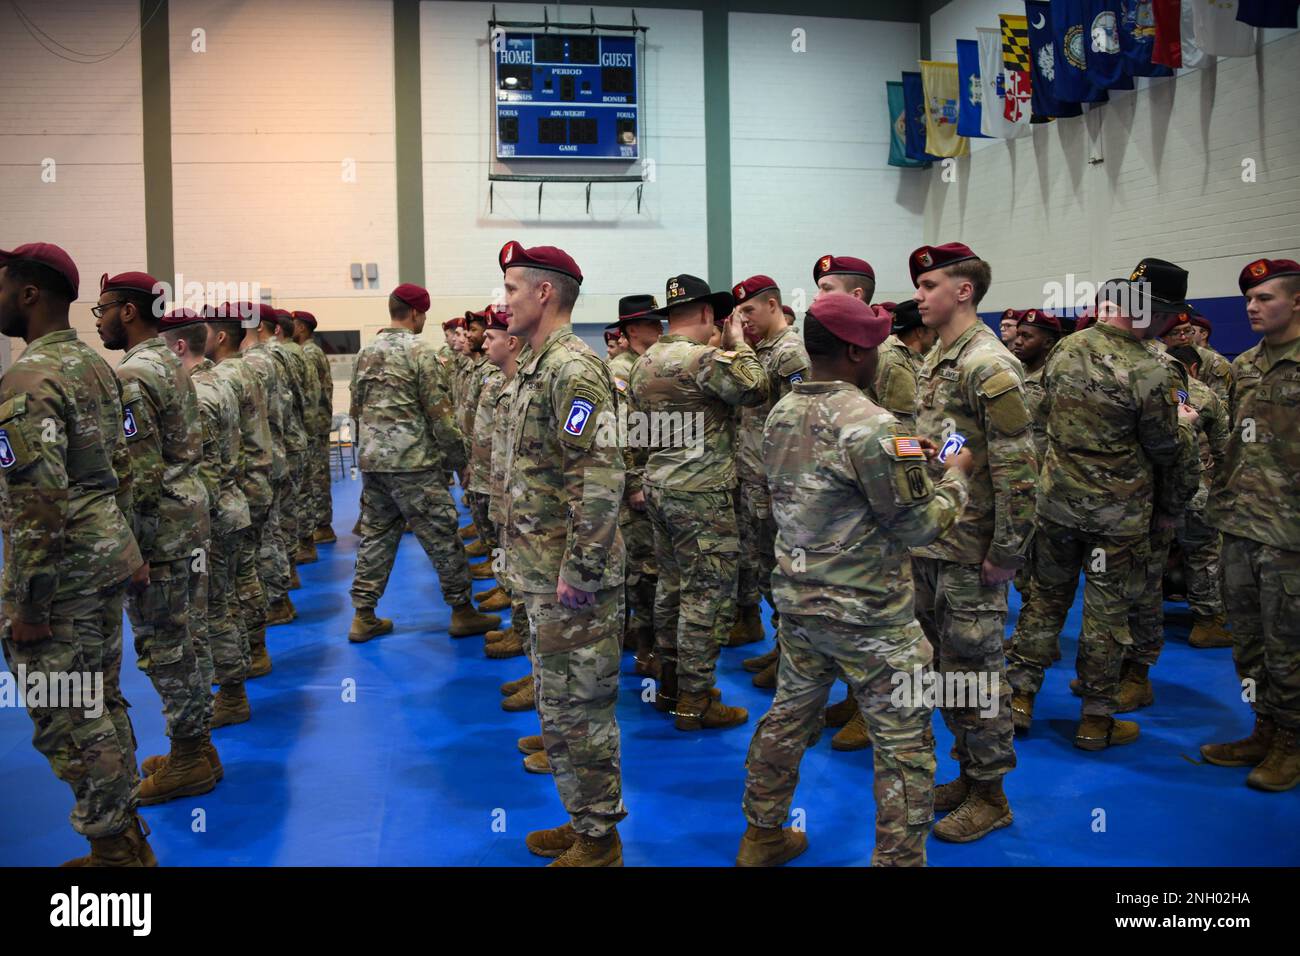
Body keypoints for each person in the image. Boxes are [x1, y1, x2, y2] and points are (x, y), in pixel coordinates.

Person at [737, 292, 973, 867]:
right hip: (871, 616)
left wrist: (913, 461)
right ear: (852, 350)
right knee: (904, 745)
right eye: (872, 342)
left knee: (790, 717)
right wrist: (957, 479)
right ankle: (898, 860)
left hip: (799, 602)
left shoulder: (782, 413)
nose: (879, 352)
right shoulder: (873, 427)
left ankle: (762, 835)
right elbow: (918, 526)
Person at [0, 243, 154, 866]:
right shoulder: (95, 368)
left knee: (68, 710)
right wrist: (128, 548)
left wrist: (29, 604)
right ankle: (124, 835)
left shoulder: (29, 379)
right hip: (102, 560)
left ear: (30, 294)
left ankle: (113, 851)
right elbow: (120, 469)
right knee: (102, 699)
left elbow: (37, 501)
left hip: (60, 576)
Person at [1008, 261, 1199, 749]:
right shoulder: (1152, 370)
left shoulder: (1067, 348)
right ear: (1157, 313)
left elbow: (1044, 418)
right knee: (1106, 616)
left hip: (1056, 505)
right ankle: (1095, 720)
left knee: (1043, 604)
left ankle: (1018, 699)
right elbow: (1163, 448)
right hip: (1118, 516)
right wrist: (1185, 425)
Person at [495, 241, 627, 866]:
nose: (506, 301)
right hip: (541, 572)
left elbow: (599, 478)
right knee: (560, 707)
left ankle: (600, 840)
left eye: (513, 288)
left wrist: (582, 569)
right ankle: (584, 822)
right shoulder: (535, 366)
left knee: (585, 711)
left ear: (544, 293)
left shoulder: (574, 371)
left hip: (574, 579)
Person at [909, 243, 1036, 843]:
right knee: (945, 670)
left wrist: (1007, 550)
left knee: (978, 671)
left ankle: (991, 793)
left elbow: (1018, 466)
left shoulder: (988, 364)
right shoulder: (939, 360)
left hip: (972, 548)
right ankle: (967, 772)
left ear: (965, 291)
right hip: (936, 541)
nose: (920, 294)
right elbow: (954, 443)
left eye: (930, 284)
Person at [96, 270, 217, 807]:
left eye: (101, 309)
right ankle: (199, 746)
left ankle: (190, 757)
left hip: (160, 526)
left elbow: (137, 472)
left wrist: (132, 549)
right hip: (187, 513)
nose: (97, 320)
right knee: (187, 636)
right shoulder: (167, 360)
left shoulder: (135, 373)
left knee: (164, 644)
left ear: (128, 310)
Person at [630, 274, 768, 728]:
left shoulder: (643, 362)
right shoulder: (705, 360)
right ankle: (695, 699)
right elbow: (756, 388)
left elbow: (638, 433)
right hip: (702, 495)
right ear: (709, 314)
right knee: (706, 598)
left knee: (671, 587)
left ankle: (668, 680)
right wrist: (738, 345)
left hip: (660, 487)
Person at [347, 284, 500, 642]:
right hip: (413, 462)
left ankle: (363, 614)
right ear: (415, 314)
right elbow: (440, 416)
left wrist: (366, 449)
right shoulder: (421, 353)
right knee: (442, 535)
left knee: (376, 537)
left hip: (374, 463)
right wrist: (460, 461)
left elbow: (355, 409)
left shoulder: (364, 352)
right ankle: (462, 611)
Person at [1201, 257, 1300, 792]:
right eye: (1249, 299)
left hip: (1292, 536)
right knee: (1249, 640)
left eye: (1265, 299)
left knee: (1290, 644)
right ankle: (1263, 728)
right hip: (1241, 526)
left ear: (1298, 301)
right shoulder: (1246, 366)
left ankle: (1292, 742)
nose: (1252, 307)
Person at [159, 310, 253, 729]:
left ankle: (231, 695)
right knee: (224, 604)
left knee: (210, 612)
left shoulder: (195, 392)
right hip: (232, 505)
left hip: (213, 513)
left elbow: (204, 467)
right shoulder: (222, 381)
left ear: (179, 347)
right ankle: (234, 685)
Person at [730, 274, 809, 658]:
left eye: (750, 309)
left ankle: (794, 656)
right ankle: (782, 648)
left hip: (781, 484)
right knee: (765, 570)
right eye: (740, 311)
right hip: (755, 479)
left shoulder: (789, 353)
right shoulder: (759, 351)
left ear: (774, 305)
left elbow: (801, 422)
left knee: (786, 574)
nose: (743, 318)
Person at [204, 304, 274, 679]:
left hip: (240, 485)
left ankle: (243, 653)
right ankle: (255, 648)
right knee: (247, 574)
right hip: (257, 477)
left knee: (233, 583)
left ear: (219, 337)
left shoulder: (223, 377)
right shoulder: (248, 368)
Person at [604, 295, 663, 673]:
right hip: (634, 488)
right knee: (643, 572)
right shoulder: (622, 373)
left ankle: (645, 642)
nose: (661, 329)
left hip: (648, 479)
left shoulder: (643, 366)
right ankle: (646, 651)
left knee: (646, 569)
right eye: (653, 323)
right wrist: (633, 484)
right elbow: (621, 435)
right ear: (632, 330)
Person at [1164, 344, 1231, 649]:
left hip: (1145, 494)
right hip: (1195, 491)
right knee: (1203, 554)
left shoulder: (1143, 387)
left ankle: (1141, 622)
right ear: (1192, 369)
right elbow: (1225, 450)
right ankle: (1207, 623)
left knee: (1147, 558)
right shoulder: (1204, 394)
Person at [240, 303, 295, 625]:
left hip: (260, 455)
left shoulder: (256, 361)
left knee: (263, 536)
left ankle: (275, 600)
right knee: (272, 530)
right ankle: (279, 597)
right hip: (273, 449)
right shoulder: (266, 358)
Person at [292, 310, 337, 544]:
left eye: (294, 324)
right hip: (316, 422)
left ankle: (322, 525)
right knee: (317, 474)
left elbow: (310, 393)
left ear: (301, 328)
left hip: (315, 424)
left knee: (317, 476)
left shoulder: (309, 353)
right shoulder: (310, 351)